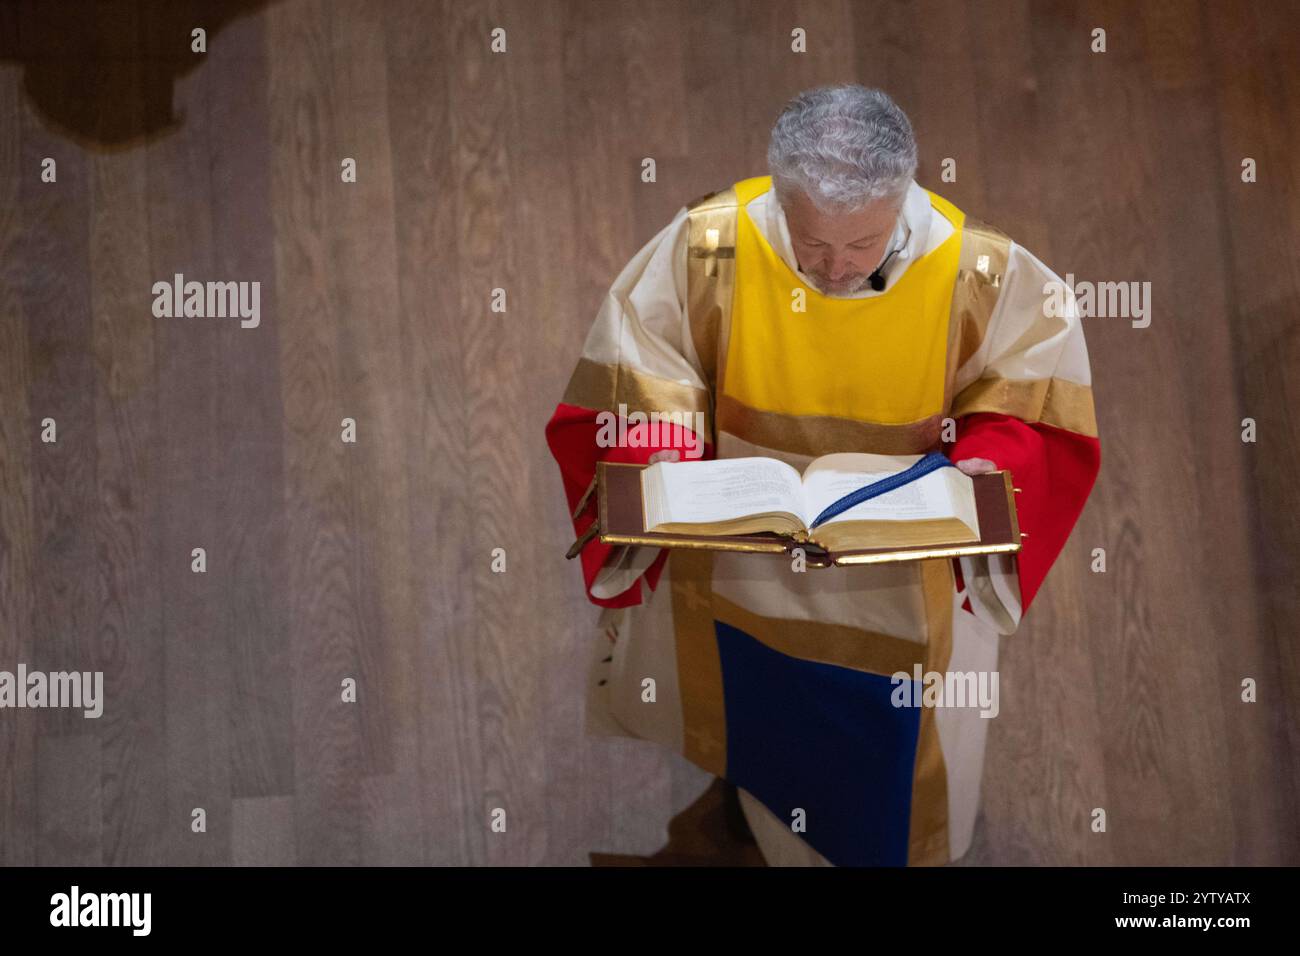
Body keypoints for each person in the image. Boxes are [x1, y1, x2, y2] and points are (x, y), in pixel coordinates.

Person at [545, 84, 1100, 866]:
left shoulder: (978, 271)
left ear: (902, 196)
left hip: (906, 581)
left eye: (863, 245)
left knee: (892, 789)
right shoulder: (713, 247)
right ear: (779, 195)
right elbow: (643, 368)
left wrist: (986, 465)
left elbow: (1031, 399)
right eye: (813, 245)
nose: (836, 270)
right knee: (759, 729)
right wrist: (660, 460)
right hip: (743, 562)